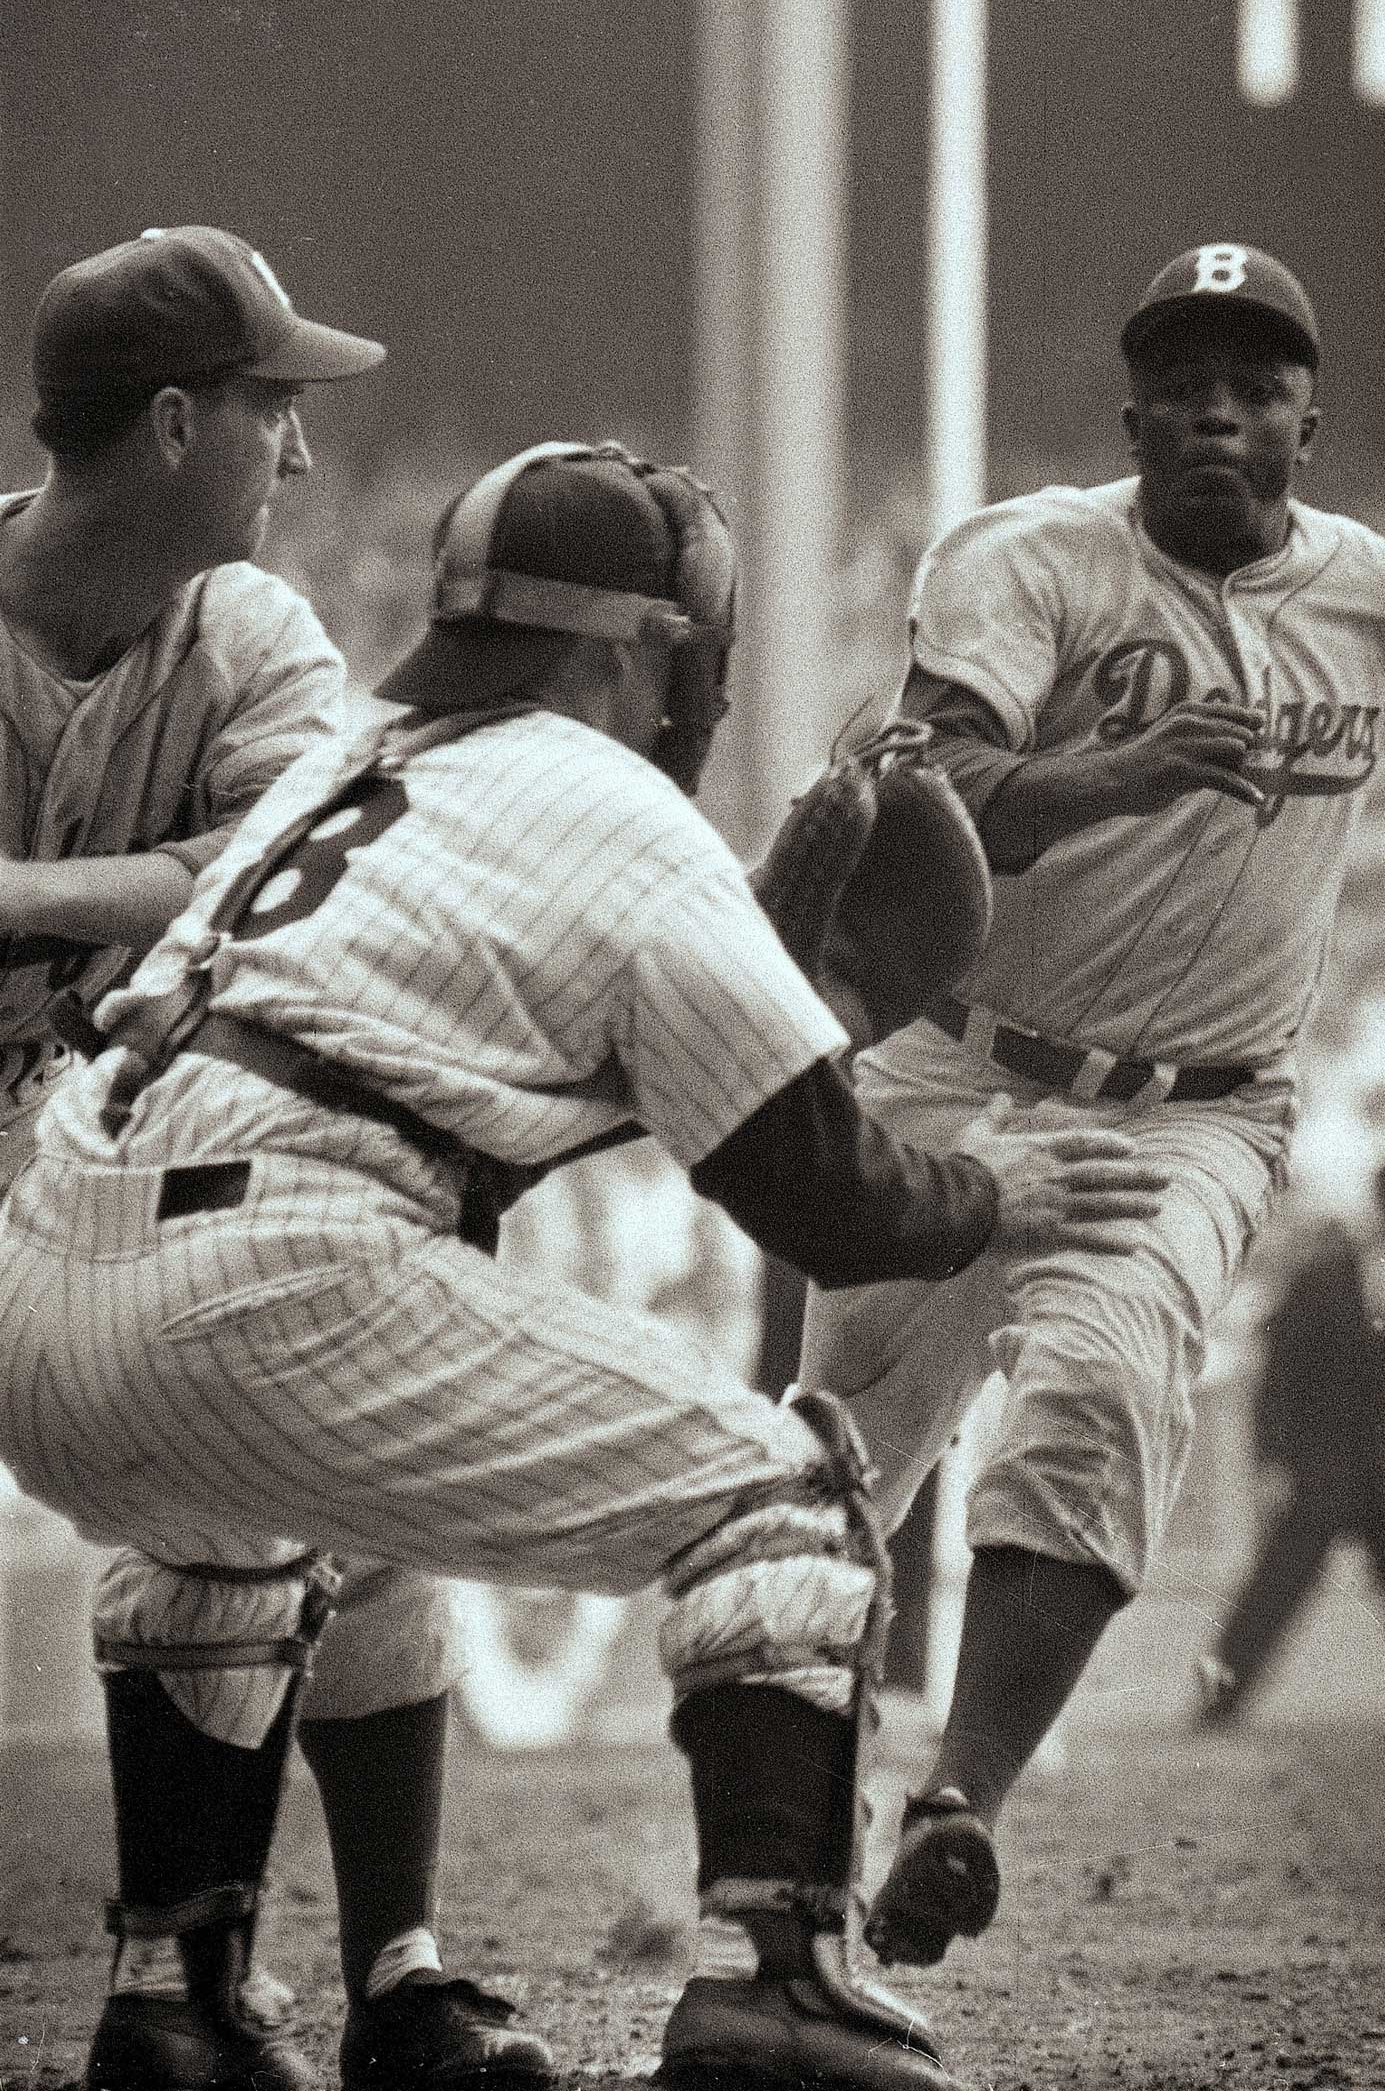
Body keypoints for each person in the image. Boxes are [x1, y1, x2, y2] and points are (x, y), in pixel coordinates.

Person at [0, 437, 1168, 2091]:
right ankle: (766, 1978)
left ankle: (173, 2001)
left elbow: (453, 1075)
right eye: (683, 645)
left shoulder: (337, 770)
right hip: (269, 1268)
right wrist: (994, 1203)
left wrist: (747, 987)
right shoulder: (608, 800)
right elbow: (816, 1197)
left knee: (234, 1537)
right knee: (789, 1498)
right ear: (628, 648)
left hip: (46, 1287)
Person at [798, 240, 1385, 1969]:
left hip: (1187, 1111)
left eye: (1254, 388)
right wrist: (1122, 770)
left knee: (1096, 1390)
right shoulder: (1026, 558)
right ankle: (776, 1877)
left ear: (1306, 423)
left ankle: (957, 1802)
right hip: (952, 1062)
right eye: (1184, 387)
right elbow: (924, 794)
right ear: (1133, 414)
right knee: (826, 1472)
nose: (1218, 417)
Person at [0, 223, 415, 2080]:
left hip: (82, 1162)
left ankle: (344, 1978)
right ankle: (181, 1997)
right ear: (175, 425)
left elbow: (253, 885)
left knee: (350, 1433)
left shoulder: (254, 632)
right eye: (273, 408)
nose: (303, 451)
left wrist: (19, 896)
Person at [1196, 1162, 1385, 1729]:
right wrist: (1270, 1462)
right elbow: (1278, 1379)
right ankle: (1214, 1709)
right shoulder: (1320, 1279)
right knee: (1270, 1596)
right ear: (1379, 1205)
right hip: (1321, 1473)